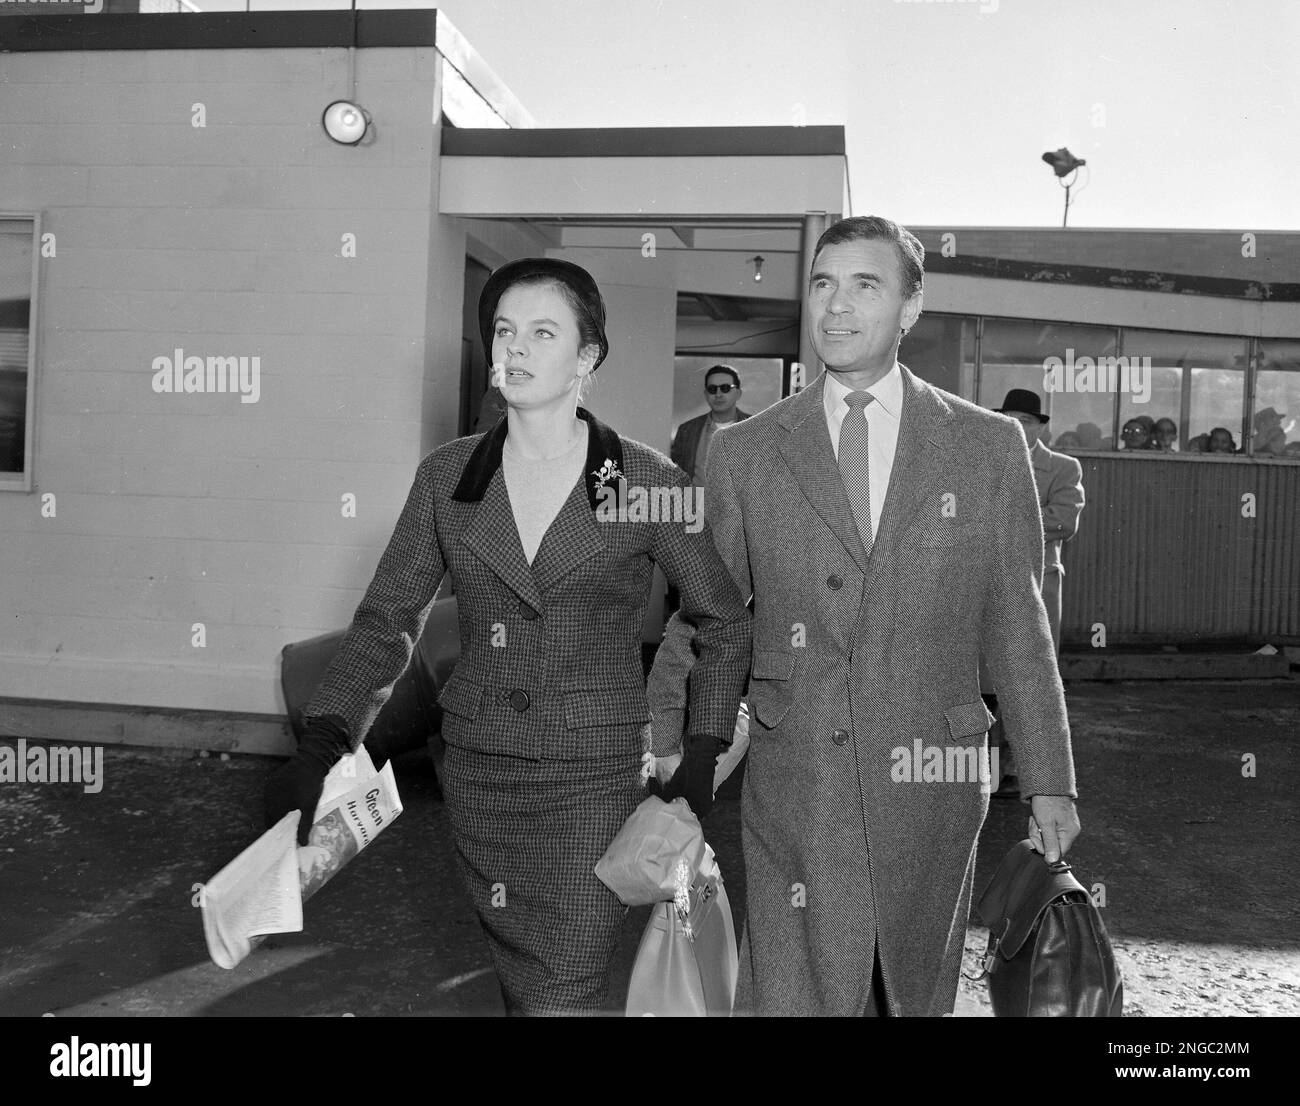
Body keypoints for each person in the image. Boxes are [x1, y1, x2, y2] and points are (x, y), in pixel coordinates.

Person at [264, 257, 752, 1015]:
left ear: (588, 357)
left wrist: (701, 751)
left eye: (542, 332)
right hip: (481, 779)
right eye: (503, 331)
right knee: (528, 989)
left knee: (563, 989)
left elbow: (723, 616)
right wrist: (324, 743)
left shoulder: (647, 484)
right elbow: (388, 620)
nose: (514, 349)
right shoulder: (449, 478)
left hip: (591, 783)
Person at [646, 215, 1079, 1017]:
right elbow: (711, 614)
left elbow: (1018, 624)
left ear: (912, 307)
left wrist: (1049, 779)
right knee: (797, 990)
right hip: (795, 777)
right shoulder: (747, 450)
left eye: (864, 285)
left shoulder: (985, 449)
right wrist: (665, 735)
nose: (835, 307)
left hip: (932, 777)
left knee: (909, 992)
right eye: (822, 283)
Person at [986, 390, 1085, 795]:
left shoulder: (1062, 467)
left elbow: (1064, 521)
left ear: (1042, 426)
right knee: (986, 681)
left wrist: (1002, 520)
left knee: (1030, 676)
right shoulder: (985, 461)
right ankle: (987, 771)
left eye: (1026, 420)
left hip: (1037, 585)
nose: (1017, 426)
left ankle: (1018, 772)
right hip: (987, 583)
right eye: (1010, 417)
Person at [669, 364, 751, 485]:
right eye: (712, 389)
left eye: (725, 388)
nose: (718, 394)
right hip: (695, 502)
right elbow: (676, 476)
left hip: (740, 503)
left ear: (738, 393)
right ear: (706, 394)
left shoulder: (755, 427)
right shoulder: (687, 430)